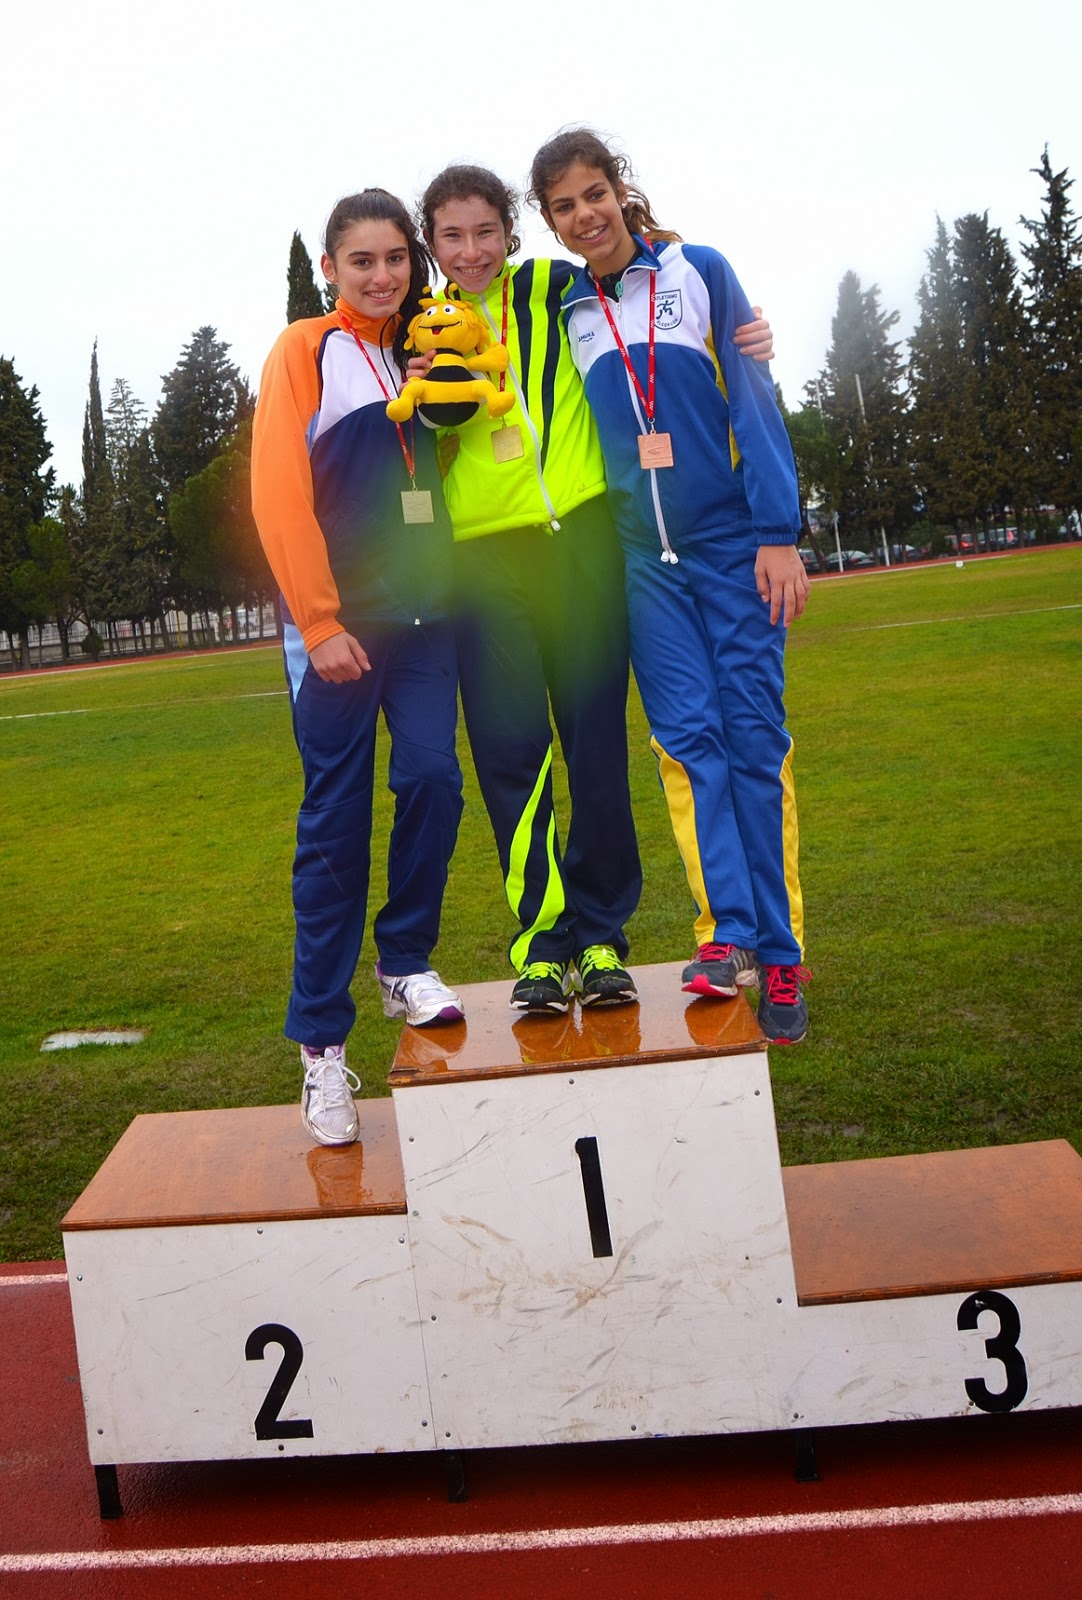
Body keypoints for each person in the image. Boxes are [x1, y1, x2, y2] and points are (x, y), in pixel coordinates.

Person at [418, 165, 775, 1017]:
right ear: (431, 246)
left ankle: (606, 935)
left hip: (579, 541)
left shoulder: (556, 288)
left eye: (485, 231)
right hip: (482, 560)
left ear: (512, 231)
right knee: (513, 752)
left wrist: (746, 334)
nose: (470, 251)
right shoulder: (416, 328)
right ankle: (543, 945)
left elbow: (642, 287)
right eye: (451, 236)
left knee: (595, 746)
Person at [527, 130, 811, 1044]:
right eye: (564, 205)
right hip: (641, 563)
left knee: (755, 738)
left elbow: (754, 401)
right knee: (689, 744)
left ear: (622, 190)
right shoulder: (570, 313)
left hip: (733, 545)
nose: (585, 214)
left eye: (595, 192)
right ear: (552, 222)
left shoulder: (701, 272)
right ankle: (727, 936)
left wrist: (777, 533)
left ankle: (784, 950)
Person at [251, 189, 465, 1146]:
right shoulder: (305, 351)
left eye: (395, 260)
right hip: (341, 634)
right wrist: (321, 621)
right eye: (361, 261)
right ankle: (321, 1054)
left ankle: (404, 961)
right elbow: (277, 501)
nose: (382, 276)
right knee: (335, 836)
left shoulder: (422, 344)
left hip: (424, 626)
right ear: (331, 267)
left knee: (432, 779)